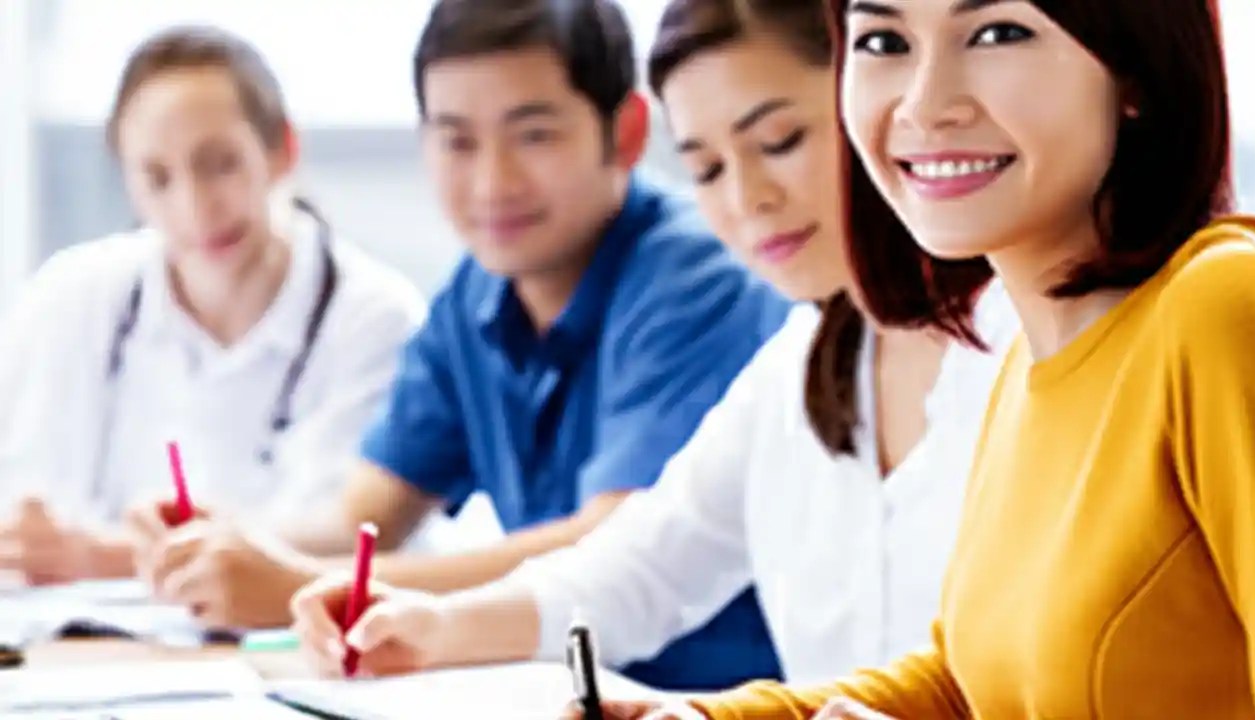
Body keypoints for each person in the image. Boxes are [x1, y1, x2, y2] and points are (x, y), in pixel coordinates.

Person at [290, 0, 1015, 692]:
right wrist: (431, 628)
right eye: (707, 169)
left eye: (779, 142)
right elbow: (640, 570)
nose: (747, 198)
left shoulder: (1021, 344)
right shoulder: (799, 366)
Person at [600, 0, 1255, 716]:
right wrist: (707, 716)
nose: (923, 105)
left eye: (998, 33)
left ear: (1137, 69)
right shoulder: (1026, 365)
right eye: (884, 41)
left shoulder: (1226, 309)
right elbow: (968, 683)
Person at [126, 0, 792, 691]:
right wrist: (223, 542)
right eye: (457, 141)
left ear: (625, 133)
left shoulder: (701, 275)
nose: (492, 183)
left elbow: (619, 545)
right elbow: (361, 520)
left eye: (533, 136)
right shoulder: (475, 295)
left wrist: (304, 585)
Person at [0, 26, 423, 589]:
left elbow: (342, 537)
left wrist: (97, 556)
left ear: (283, 151)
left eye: (220, 164)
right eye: (157, 178)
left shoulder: (376, 320)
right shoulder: (69, 299)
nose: (195, 206)